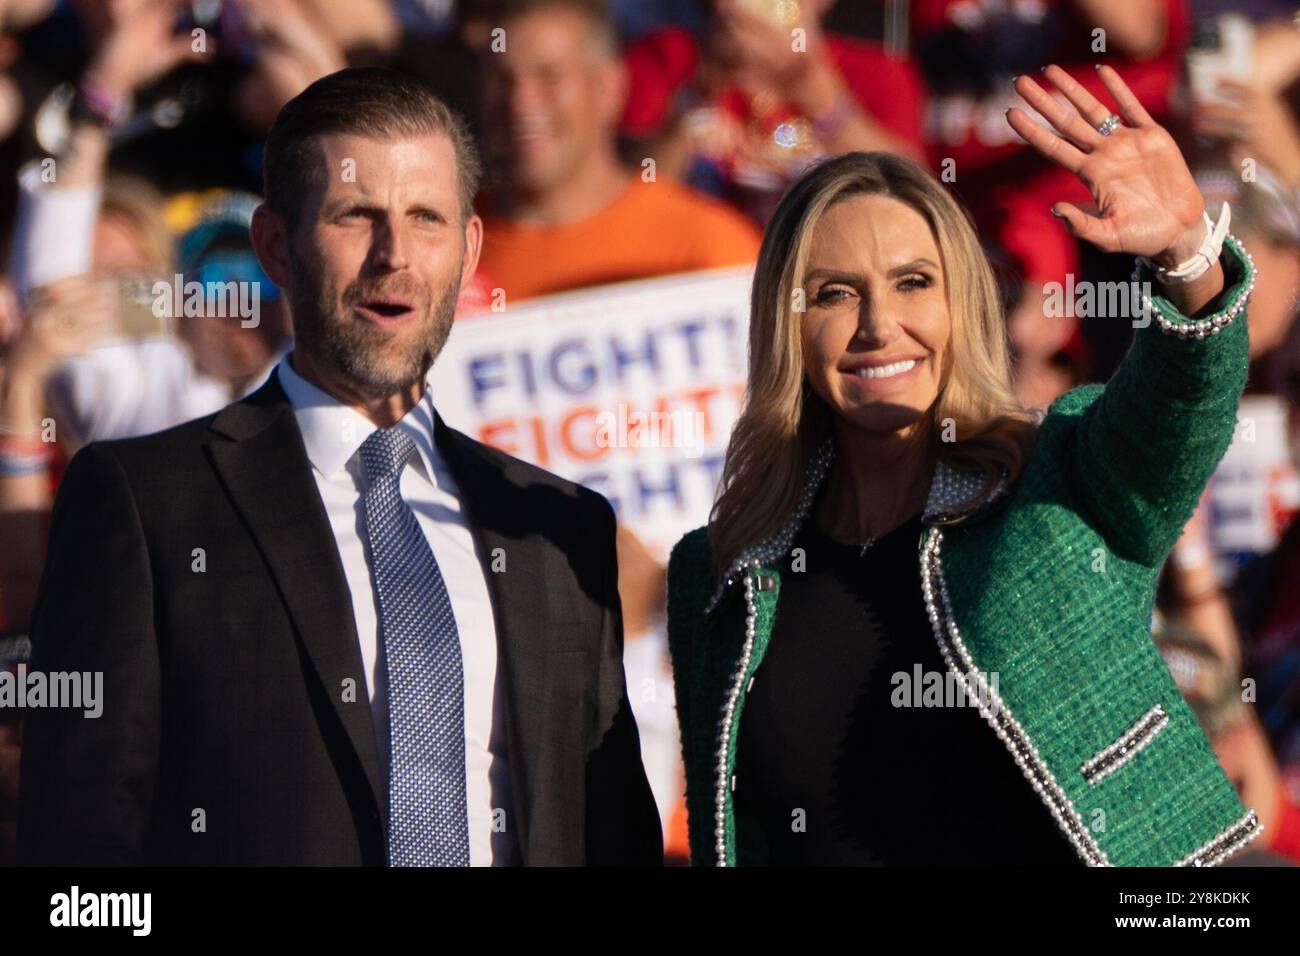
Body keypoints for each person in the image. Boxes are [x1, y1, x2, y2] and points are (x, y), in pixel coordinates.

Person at [17, 66, 662, 866]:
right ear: (274, 247)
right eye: (356, 215)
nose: (394, 255)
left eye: (426, 218)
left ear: (468, 251)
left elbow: (615, 840)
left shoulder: (558, 528)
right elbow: (77, 851)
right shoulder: (146, 503)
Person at [666, 64, 1264, 866]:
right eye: (836, 293)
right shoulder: (717, 571)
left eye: (914, 283)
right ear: (787, 324)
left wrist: (1190, 258)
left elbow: (1180, 411)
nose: (880, 325)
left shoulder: (1058, 483)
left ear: (963, 303)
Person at [473, 0, 761, 305]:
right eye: (502, 79)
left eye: (549, 77)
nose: (521, 102)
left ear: (609, 88)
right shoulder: (440, 253)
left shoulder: (709, 251)